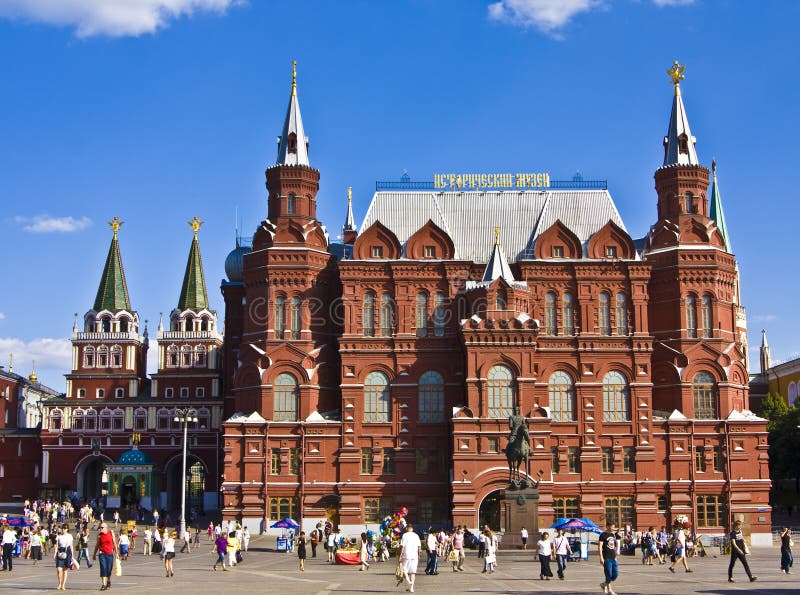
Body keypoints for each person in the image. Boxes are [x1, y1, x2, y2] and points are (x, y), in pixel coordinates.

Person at [92, 521, 118, 591]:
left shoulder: (111, 533)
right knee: (103, 568)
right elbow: (97, 545)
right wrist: (94, 554)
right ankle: (103, 584)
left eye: (102, 527)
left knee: (109, 569)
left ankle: (108, 581)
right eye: (100, 527)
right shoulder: (99, 535)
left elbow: (114, 543)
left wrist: (117, 553)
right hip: (102, 554)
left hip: (109, 554)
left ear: (106, 528)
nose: (100, 529)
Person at [398, 524, 421, 593]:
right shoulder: (416, 535)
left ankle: (408, 582)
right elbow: (419, 547)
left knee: (404, 570)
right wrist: (419, 555)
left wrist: (400, 555)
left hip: (406, 555)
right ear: (412, 529)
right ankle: (411, 588)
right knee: (412, 572)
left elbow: (402, 546)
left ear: (406, 528)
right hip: (415, 556)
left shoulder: (405, 535)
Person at [599, 522, 619, 595]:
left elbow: (614, 546)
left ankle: (603, 584)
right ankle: (610, 589)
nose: (613, 528)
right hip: (606, 558)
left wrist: (616, 555)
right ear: (607, 526)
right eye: (612, 527)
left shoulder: (612, 535)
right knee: (608, 574)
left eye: (614, 527)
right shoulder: (603, 535)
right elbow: (600, 546)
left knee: (615, 575)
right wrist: (601, 557)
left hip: (613, 557)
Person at [54, 524, 74, 591]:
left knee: (65, 570)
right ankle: (59, 583)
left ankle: (63, 585)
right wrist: (54, 554)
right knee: (59, 569)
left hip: (67, 552)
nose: (63, 529)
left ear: (67, 529)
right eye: (63, 528)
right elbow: (56, 546)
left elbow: (71, 546)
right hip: (60, 552)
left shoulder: (69, 536)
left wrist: (72, 555)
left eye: (65, 528)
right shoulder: (59, 536)